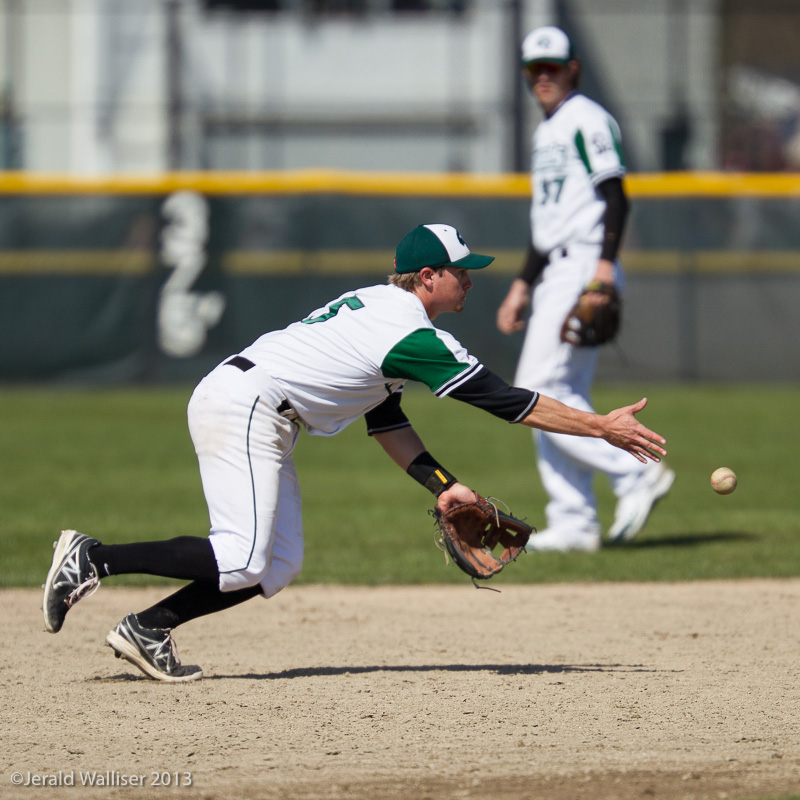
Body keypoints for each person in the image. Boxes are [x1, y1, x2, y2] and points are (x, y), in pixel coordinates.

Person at [43, 223, 666, 683]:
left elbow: (385, 418)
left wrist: (443, 485)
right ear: (428, 278)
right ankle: (91, 557)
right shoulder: (412, 332)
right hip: (249, 405)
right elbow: (505, 401)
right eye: (460, 270)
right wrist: (600, 427)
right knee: (239, 554)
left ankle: (148, 629)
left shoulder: (377, 308)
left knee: (275, 564)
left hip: (251, 402)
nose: (469, 278)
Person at [496, 26, 674, 552]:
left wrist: (603, 268)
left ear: (573, 67)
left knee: (533, 391)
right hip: (556, 268)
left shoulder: (588, 119)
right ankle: (574, 520)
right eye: (535, 70)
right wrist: (521, 285)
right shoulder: (545, 132)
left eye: (552, 66)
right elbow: (547, 221)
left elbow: (615, 196)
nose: (544, 76)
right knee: (551, 396)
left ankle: (633, 473)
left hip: (583, 267)